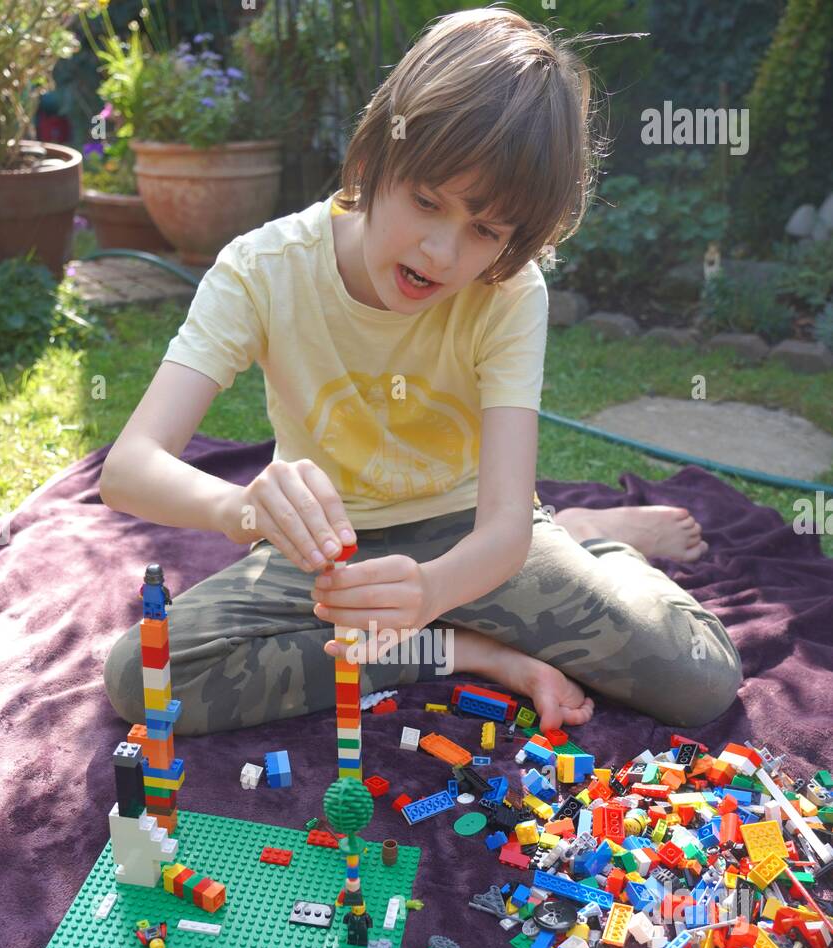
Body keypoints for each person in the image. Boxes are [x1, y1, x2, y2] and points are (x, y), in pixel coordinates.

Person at [100, 6, 742, 736]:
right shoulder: (262, 269)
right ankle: (456, 650)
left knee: (700, 677)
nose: (440, 252)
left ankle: (590, 540)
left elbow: (502, 531)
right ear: (374, 160)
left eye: (484, 230)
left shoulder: (509, 291)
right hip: (327, 556)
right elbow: (128, 468)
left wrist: (434, 587)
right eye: (427, 201)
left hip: (474, 546)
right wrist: (244, 510)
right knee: (146, 679)